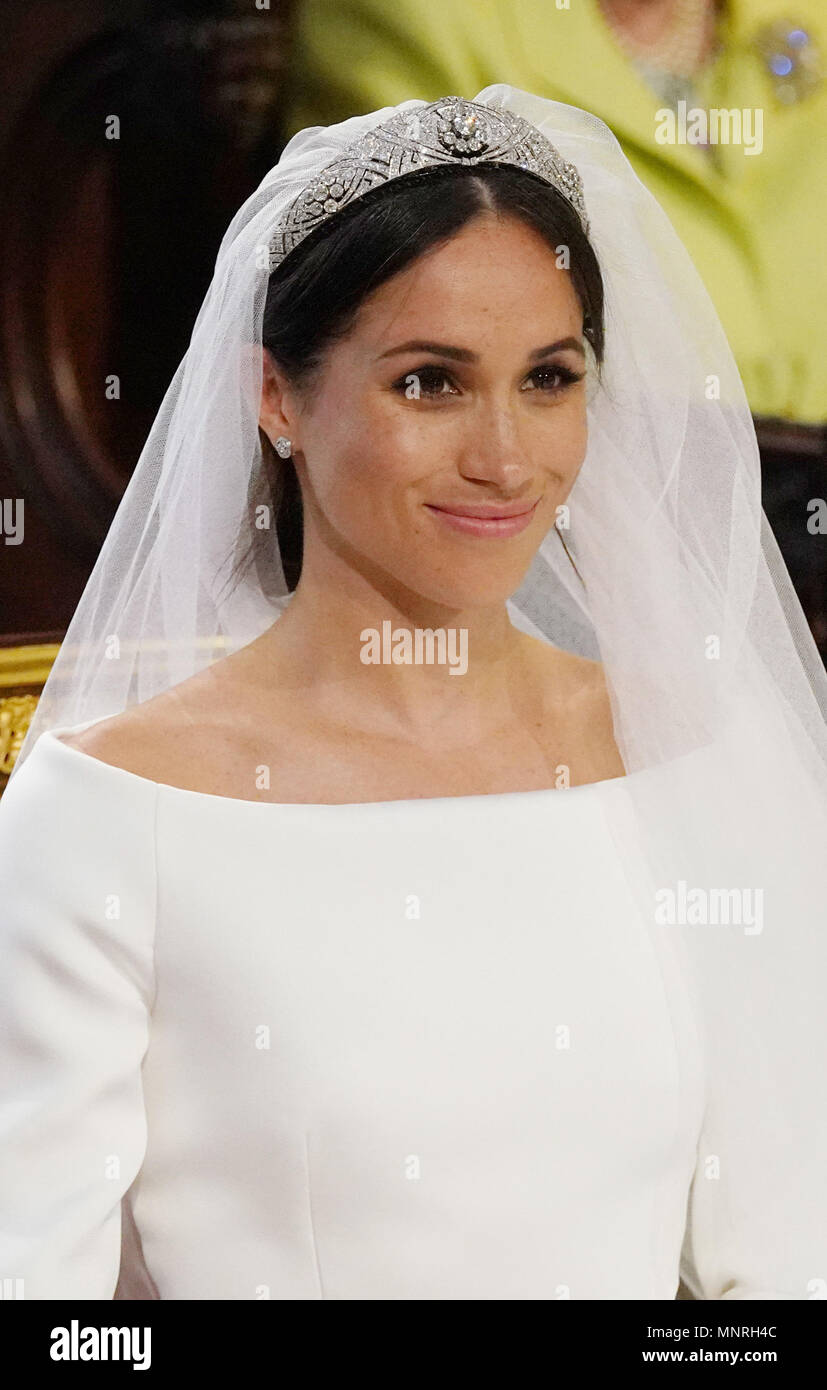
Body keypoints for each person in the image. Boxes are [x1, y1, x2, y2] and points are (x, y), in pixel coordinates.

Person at [0, 88, 825, 1300]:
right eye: (430, 383)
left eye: (548, 379)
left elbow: (780, 1257)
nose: (504, 456)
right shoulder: (107, 813)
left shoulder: (684, 750)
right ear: (277, 396)